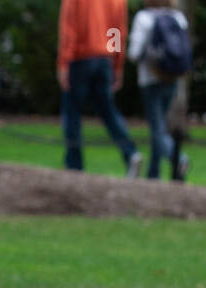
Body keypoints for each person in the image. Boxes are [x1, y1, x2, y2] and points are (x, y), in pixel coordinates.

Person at [57, 0, 142, 176]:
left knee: (72, 111)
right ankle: (131, 153)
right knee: (108, 111)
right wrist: (117, 63)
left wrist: (64, 62)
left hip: (80, 58)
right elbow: (117, 30)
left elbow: (69, 27)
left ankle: (74, 166)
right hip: (105, 58)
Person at [128, 0, 191, 181]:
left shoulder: (143, 18)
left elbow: (134, 52)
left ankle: (178, 158)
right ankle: (153, 174)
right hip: (172, 78)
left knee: (157, 129)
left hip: (150, 79)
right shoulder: (178, 18)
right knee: (160, 126)